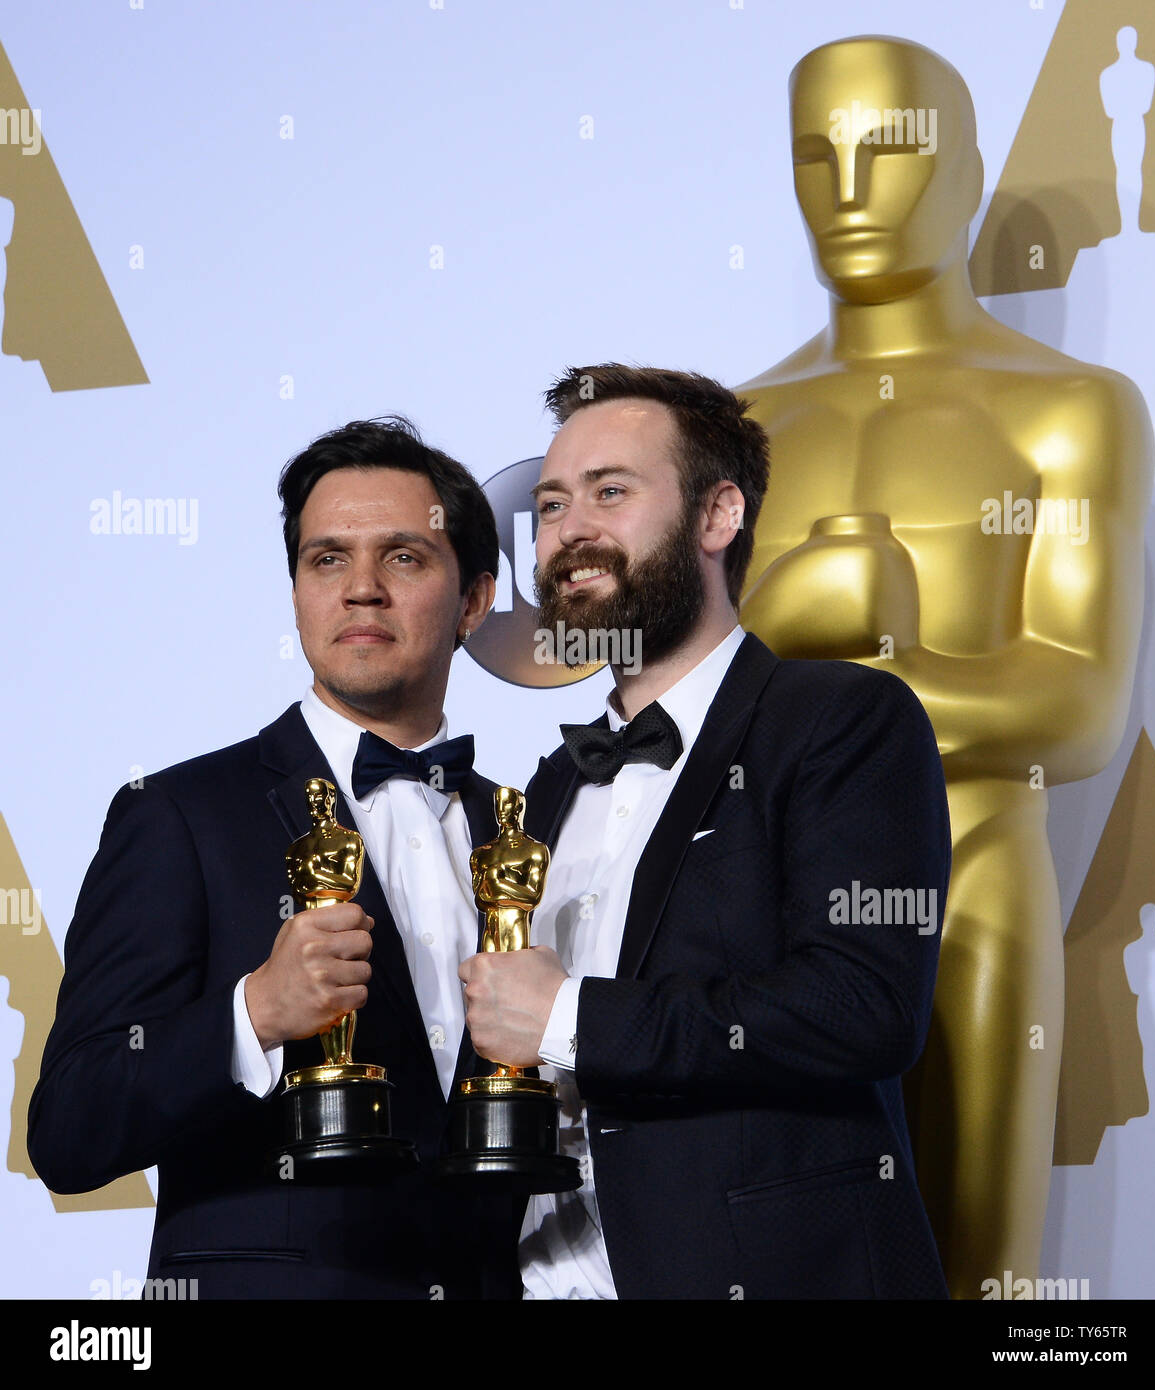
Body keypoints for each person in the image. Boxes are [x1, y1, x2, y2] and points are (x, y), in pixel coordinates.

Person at [457, 364, 951, 1299]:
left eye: (611, 492)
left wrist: (566, 1016)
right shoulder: (554, 783)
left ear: (717, 517)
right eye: (553, 504)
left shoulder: (843, 720)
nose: (570, 531)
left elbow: (862, 1007)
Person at [29, 416, 522, 1298]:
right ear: (296, 589)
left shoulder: (524, 830)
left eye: (404, 557)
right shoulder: (178, 815)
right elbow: (70, 1130)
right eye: (326, 559)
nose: (360, 590)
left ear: (475, 601)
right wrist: (253, 1013)